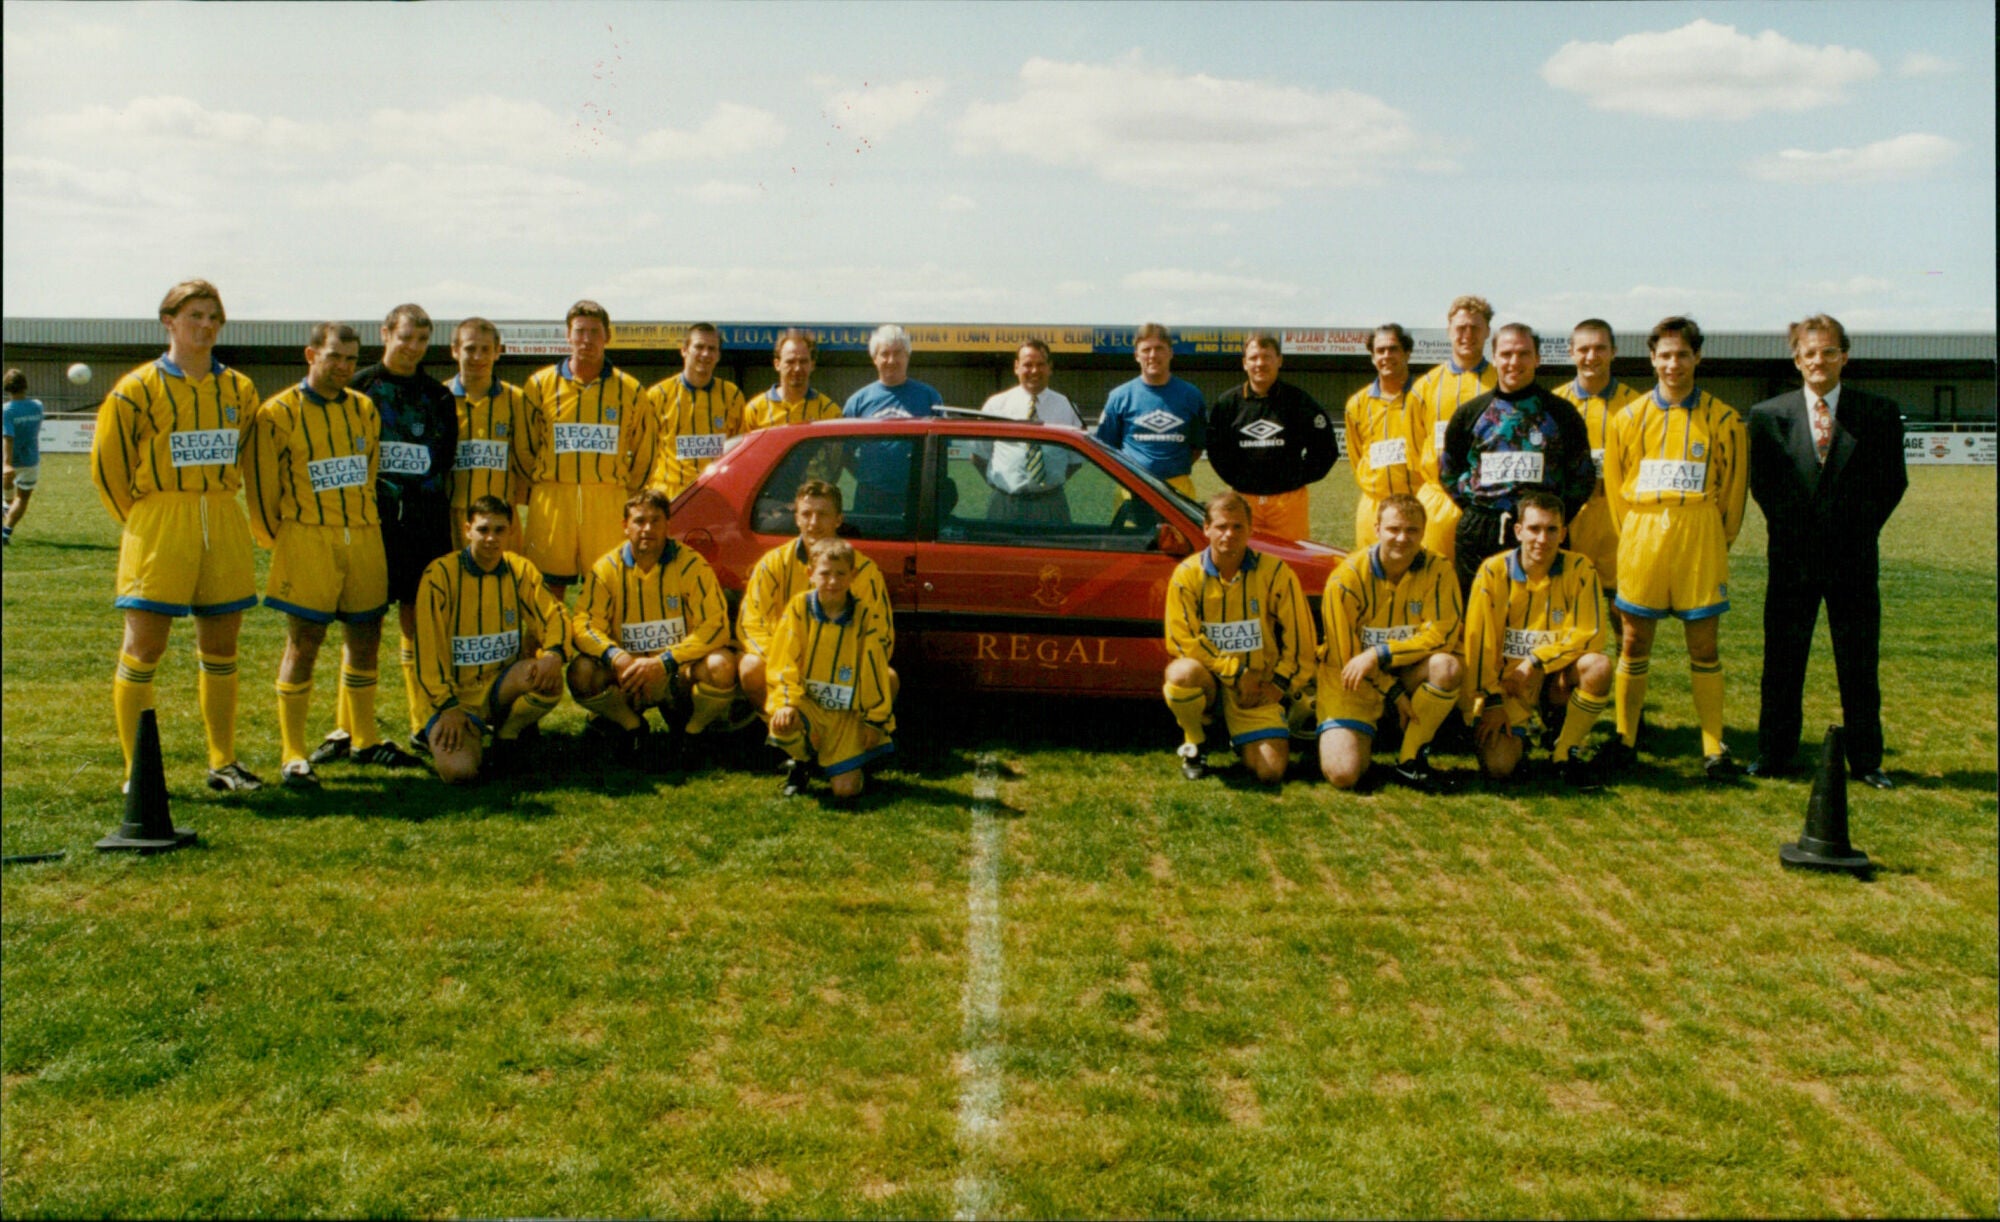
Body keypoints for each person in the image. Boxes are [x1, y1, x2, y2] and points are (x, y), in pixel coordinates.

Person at [90, 279, 265, 792]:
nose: (207, 326)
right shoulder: (136, 388)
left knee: (222, 646)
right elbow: (108, 470)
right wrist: (148, 519)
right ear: (169, 321)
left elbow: (248, 456)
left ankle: (223, 762)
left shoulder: (239, 388)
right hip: (160, 520)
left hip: (222, 516)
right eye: (196, 316)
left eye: (214, 317)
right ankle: (136, 773)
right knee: (144, 647)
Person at [1747, 313, 1907, 789]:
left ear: (1845, 356)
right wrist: (1802, 536)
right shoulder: (1767, 416)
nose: (1819, 360)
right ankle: (1774, 753)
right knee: (1782, 661)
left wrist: (1853, 533)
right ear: (1797, 360)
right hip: (1792, 561)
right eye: (1810, 352)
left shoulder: (1876, 413)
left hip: (1853, 560)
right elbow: (1765, 488)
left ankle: (1867, 760)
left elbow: (1891, 484)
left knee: (1858, 662)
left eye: (1829, 351)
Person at [243, 322, 395, 789]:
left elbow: (367, 472)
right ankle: (292, 753)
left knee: (366, 637)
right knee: (304, 643)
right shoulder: (277, 413)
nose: (344, 368)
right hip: (307, 538)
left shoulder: (365, 409)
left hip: (365, 535)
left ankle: (364, 740)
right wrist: (281, 541)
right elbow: (261, 489)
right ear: (311, 354)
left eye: (351, 359)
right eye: (334, 358)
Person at [1596, 316, 1748, 781]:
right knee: (1635, 639)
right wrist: (1636, 535)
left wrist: (1713, 538)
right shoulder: (1626, 419)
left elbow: (1734, 494)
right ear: (1652, 359)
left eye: (1683, 354)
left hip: (1699, 532)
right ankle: (1625, 739)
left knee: (1703, 645)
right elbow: (1617, 489)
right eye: (1664, 355)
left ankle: (1713, 747)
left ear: (1697, 358)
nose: (1673, 364)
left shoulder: (1724, 419)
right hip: (1642, 531)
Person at [309, 304, 456, 770]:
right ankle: (347, 728)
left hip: (423, 525)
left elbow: (442, 461)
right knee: (362, 627)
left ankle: (420, 723)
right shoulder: (359, 387)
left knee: (418, 627)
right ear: (386, 334)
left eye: (421, 340)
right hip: (369, 527)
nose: (412, 348)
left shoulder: (438, 396)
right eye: (405, 337)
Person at [567, 488, 739, 762]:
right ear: (625, 526)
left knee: (722, 665)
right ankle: (631, 726)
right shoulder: (605, 569)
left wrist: (665, 662)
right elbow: (583, 624)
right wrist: (617, 657)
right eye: (639, 521)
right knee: (581, 672)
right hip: (628, 676)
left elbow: (715, 625)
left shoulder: (692, 565)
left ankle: (692, 732)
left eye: (656, 520)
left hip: (677, 674)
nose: (647, 528)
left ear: (667, 524)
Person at [1162, 491, 1317, 784]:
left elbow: (1301, 637)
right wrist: (1235, 672)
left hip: (1257, 687)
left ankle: (1238, 736)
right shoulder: (1186, 574)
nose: (1229, 534)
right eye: (1221, 526)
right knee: (1181, 673)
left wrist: (1280, 685)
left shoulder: (1276, 572)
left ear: (1250, 529)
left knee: (1270, 772)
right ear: (1206, 529)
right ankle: (1195, 742)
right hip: (1209, 679)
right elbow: (1182, 640)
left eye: (1237, 527)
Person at [411, 497, 569, 784]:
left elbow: (554, 615)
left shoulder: (519, 569)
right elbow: (426, 651)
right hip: (453, 697)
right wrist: (447, 707)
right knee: (460, 773)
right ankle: (460, 732)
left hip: (500, 685)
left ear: (510, 532)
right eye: (483, 529)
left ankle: (507, 733)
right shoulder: (440, 576)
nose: (491, 538)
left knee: (549, 679)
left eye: (499, 530)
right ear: (467, 529)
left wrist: (553, 655)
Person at [1315, 494, 1466, 793]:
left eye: (1412, 530)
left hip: (1404, 672)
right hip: (1351, 680)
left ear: (1423, 532)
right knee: (1343, 775)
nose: (1402, 538)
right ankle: (1369, 730)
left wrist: (1380, 653)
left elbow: (1444, 635)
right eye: (1394, 529)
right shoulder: (1345, 578)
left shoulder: (1439, 569)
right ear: (1376, 529)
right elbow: (1347, 656)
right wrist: (1394, 692)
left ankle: (1410, 760)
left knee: (1446, 666)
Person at [1463, 490, 1610, 787]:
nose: (1542, 539)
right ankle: (1523, 732)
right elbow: (1478, 645)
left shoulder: (1580, 569)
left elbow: (1589, 634)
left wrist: (1534, 661)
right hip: (1507, 687)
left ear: (1563, 532)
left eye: (1551, 529)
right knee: (1500, 768)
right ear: (1518, 531)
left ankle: (1563, 751)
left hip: (1553, 680)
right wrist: (1491, 702)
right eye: (1534, 529)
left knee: (1598, 666)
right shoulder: (1492, 572)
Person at [1439, 323, 1597, 595]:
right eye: (1507, 354)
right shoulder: (1470, 414)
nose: (1514, 362)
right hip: (1481, 532)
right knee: (1479, 619)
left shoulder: (1561, 413)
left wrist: (1553, 519)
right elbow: (1449, 471)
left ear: (1537, 358)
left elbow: (1582, 476)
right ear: (1495, 357)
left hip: (1540, 534)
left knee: (1540, 618)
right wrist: (1476, 510)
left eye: (1524, 354)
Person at [519, 300, 658, 600]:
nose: (586, 340)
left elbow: (645, 449)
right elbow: (525, 446)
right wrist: (541, 484)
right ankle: (551, 643)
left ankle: (601, 645)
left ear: (607, 337)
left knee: (607, 581)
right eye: (580, 331)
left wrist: (628, 492)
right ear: (567, 335)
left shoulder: (630, 390)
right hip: (553, 497)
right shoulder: (539, 385)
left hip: (607, 497)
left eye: (595, 332)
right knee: (548, 584)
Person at [738, 480, 896, 714]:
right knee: (751, 668)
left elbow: (881, 634)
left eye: (822, 514)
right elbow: (751, 624)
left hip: (841, 664)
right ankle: (784, 732)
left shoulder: (864, 571)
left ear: (838, 520)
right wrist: (788, 661)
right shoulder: (772, 563)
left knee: (888, 678)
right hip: (786, 660)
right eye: (806, 514)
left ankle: (844, 739)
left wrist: (829, 663)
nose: (813, 523)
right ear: (796, 518)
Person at [766, 537, 897, 801]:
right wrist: (786, 702)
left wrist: (874, 718)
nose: (833, 581)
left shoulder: (865, 616)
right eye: (825, 574)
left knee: (845, 791)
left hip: (847, 714)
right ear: (810, 574)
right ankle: (801, 763)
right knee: (783, 724)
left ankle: (852, 763)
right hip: (809, 704)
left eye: (841, 574)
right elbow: (784, 660)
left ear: (853, 576)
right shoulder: (799, 608)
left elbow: (873, 668)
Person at [1553, 319, 1643, 645]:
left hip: (1617, 521)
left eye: (1600, 348)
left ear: (1614, 352)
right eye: (1584, 349)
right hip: (1568, 519)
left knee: (1624, 613)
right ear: (1571, 352)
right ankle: (1569, 690)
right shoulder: (1554, 404)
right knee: (1563, 611)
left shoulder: (1636, 406)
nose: (1592, 356)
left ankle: (1625, 691)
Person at [1204, 333, 1337, 541]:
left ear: (1279, 360)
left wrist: (1296, 477)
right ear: (1244, 363)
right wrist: (1239, 480)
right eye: (1254, 358)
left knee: (1292, 560)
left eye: (1267, 357)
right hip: (1244, 500)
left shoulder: (1299, 401)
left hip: (1288, 502)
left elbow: (1326, 449)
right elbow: (1216, 451)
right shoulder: (1228, 404)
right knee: (1244, 559)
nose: (1260, 363)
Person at [1407, 295, 1498, 559]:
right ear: (1449, 331)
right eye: (1461, 328)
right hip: (1438, 502)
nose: (1467, 335)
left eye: (1475, 328)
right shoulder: (1425, 387)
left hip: (1488, 503)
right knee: (1435, 578)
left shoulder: (1502, 383)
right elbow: (1413, 449)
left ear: (1487, 333)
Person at [445, 317, 530, 553]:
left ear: (497, 352)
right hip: (453, 514)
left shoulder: (517, 400)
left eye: (486, 349)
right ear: (455, 351)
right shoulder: (438, 397)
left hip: (502, 516)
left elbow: (525, 460)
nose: (478, 357)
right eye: (470, 349)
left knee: (505, 584)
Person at [977, 338, 1084, 524]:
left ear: (1050, 367)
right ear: (1016, 367)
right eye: (1028, 364)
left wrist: (1046, 486)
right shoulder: (995, 406)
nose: (1034, 371)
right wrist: (1003, 486)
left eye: (1040, 364)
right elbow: (978, 455)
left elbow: (1075, 461)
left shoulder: (1067, 407)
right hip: (1005, 503)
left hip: (1051, 503)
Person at [1094, 322, 1206, 497]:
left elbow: (1197, 447)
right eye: (1146, 350)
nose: (1153, 355)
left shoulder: (1191, 396)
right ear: (1136, 355)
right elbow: (1106, 447)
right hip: (1132, 486)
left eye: (1159, 348)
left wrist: (1170, 469)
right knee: (1131, 525)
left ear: (1170, 352)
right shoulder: (1119, 397)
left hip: (1178, 487)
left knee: (1179, 526)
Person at [842, 324, 942, 517]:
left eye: (898, 353)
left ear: (908, 356)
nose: (891, 360)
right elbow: (844, 452)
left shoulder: (930, 397)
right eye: (884, 354)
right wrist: (867, 477)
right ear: (874, 359)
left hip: (917, 495)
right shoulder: (858, 402)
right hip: (870, 497)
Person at [1344, 324, 1424, 550]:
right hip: (1374, 504)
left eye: (1393, 349)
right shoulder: (1357, 404)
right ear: (1372, 357)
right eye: (1380, 351)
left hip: (1417, 502)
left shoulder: (1424, 396)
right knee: (1371, 572)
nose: (1386, 356)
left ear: (1407, 353)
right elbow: (1356, 456)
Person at [651, 322, 747, 499]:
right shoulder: (658, 396)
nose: (705, 354)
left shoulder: (732, 396)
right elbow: (645, 452)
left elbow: (739, 450)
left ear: (718, 355)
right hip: (669, 495)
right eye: (699, 347)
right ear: (684, 350)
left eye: (712, 349)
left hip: (717, 492)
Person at [744, 329, 841, 430]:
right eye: (790, 361)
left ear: (812, 365)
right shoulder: (755, 411)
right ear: (777, 364)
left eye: (803, 361)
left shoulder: (828, 411)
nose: (797, 368)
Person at [3, 368, 45, 547]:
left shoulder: (7, 410)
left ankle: (6, 506)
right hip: (30, 459)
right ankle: (6, 531)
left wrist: (6, 463)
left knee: (8, 486)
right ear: (25, 386)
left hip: (12, 458)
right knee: (23, 498)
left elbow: (9, 437)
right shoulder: (37, 405)